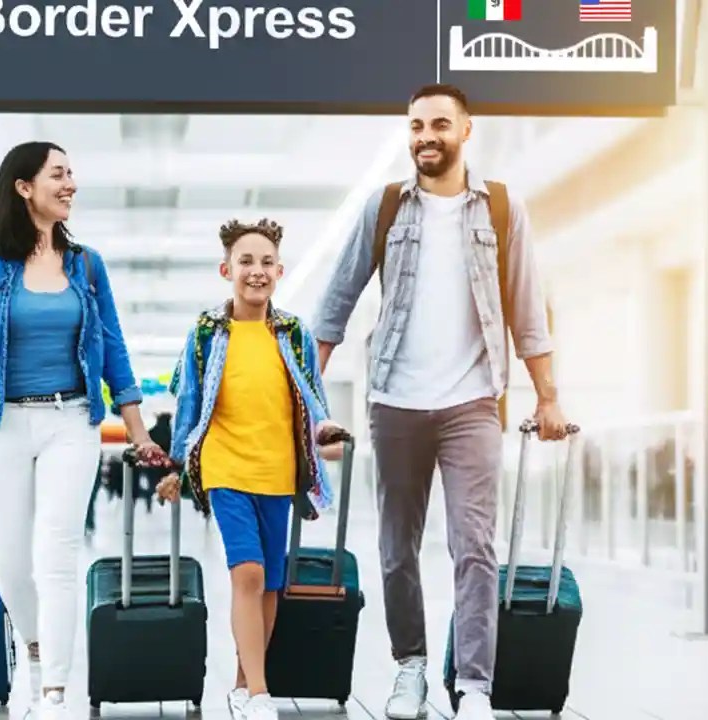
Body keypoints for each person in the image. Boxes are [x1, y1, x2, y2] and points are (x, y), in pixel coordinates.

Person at [311, 84, 570, 720]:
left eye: (439, 125)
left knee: (473, 545)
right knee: (396, 548)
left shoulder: (502, 208)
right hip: (394, 400)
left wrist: (549, 397)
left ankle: (475, 685)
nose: (426, 136)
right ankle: (411, 668)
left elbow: (528, 309)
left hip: (473, 402)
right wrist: (310, 404)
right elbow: (334, 306)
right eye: (417, 126)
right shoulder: (385, 207)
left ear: (466, 131)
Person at [0, 141, 165, 718]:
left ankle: (55, 690)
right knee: (10, 561)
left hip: (70, 420)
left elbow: (113, 350)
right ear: (24, 187)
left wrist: (138, 432)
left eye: (72, 172)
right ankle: (35, 647)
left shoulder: (86, 265)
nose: (70, 183)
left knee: (57, 552)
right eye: (58, 174)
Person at [156, 218, 346, 720]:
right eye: (245, 261)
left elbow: (313, 399)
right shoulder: (206, 333)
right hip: (225, 468)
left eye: (266, 262)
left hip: (278, 472)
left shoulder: (294, 333)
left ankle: (243, 684)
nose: (256, 271)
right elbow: (189, 403)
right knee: (248, 572)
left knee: (270, 585)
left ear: (280, 272)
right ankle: (261, 694)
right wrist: (177, 465)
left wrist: (326, 434)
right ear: (227, 270)